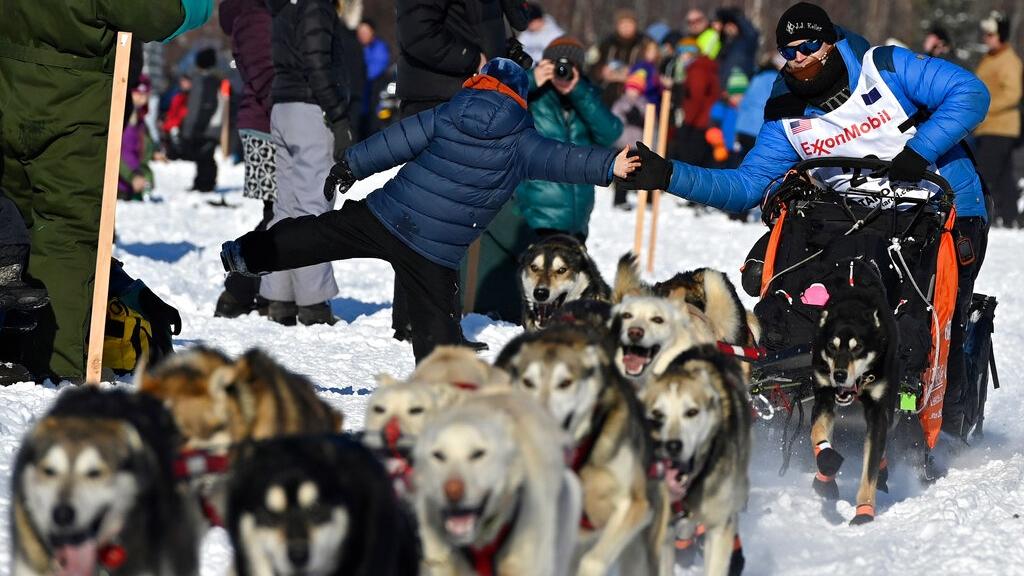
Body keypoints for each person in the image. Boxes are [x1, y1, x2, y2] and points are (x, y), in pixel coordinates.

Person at [622, 2, 991, 445]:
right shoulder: (787, 111)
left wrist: (919, 151)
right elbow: (746, 186)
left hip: (944, 208)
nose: (799, 57)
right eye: (789, 51)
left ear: (830, 42)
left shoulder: (884, 67)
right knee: (809, 286)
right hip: (853, 218)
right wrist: (668, 175)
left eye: (809, 45)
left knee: (938, 316)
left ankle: (949, 426)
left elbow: (971, 94)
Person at [221, 58, 637, 361]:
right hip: (434, 253)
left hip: (385, 216)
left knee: (315, 236)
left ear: (479, 82)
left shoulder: (449, 112)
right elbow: (566, 159)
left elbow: (396, 140)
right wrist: (611, 165)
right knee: (439, 334)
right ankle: (441, 392)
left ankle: (247, 254)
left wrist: (351, 165)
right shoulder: (523, 140)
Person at [0, 0, 210, 381]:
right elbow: (160, 13)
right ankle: (51, 362)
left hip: (9, 92)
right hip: (72, 106)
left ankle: (10, 345)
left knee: (16, 224)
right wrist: (199, 7)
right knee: (67, 233)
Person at [260, 0, 355, 326]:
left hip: (283, 106)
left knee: (285, 206)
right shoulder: (316, 4)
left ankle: (280, 297)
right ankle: (313, 304)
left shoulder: (283, 6)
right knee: (313, 205)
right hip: (311, 108)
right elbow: (316, 62)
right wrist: (339, 115)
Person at [216, 0, 277, 319]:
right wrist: (287, 110)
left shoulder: (260, 12)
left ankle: (263, 288)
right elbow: (265, 74)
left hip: (269, 121)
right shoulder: (254, 15)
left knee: (279, 210)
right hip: (268, 124)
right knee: (280, 211)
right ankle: (240, 287)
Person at [974, 11, 1022, 228]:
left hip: (1000, 127)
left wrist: (984, 107)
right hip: (988, 126)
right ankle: (1010, 217)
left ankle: (979, 215)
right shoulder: (990, 57)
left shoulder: (1008, 60)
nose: (986, 38)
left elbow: (1013, 93)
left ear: (1001, 35)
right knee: (1003, 175)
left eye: (991, 34)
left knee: (984, 172)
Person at [672, 37, 719, 169]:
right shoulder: (702, 67)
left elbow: (696, 99)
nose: (680, 57)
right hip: (704, 120)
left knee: (691, 161)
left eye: (682, 53)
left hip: (698, 123)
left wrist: (687, 122)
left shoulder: (697, 70)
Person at [182, 48, 223, 193]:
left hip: (206, 126)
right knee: (204, 157)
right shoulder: (214, 80)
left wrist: (194, 127)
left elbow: (201, 106)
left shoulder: (204, 81)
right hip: (210, 125)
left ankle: (205, 183)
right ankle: (202, 182)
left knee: (205, 157)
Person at [590, 9, 647, 106]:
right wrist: (601, 71)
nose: (626, 27)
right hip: (607, 96)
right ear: (617, 26)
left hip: (635, 97)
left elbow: (650, 69)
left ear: (635, 25)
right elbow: (591, 66)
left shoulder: (643, 45)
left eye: (629, 24)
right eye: (623, 24)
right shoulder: (606, 44)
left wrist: (633, 73)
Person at [119, 75, 156, 201]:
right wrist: (131, 177)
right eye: (138, 93)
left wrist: (154, 152)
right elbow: (115, 152)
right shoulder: (121, 119)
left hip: (136, 183)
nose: (141, 97)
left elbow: (144, 144)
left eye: (145, 94)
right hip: (120, 184)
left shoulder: (141, 120)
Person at [357, 19, 391, 139]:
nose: (362, 35)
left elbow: (376, 68)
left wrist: (358, 72)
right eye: (360, 32)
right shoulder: (355, 47)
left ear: (372, 32)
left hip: (374, 97)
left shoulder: (379, 47)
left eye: (365, 32)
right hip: (358, 101)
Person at [713, 7, 760, 92]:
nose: (730, 27)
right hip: (724, 92)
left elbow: (752, 34)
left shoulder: (746, 43)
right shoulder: (724, 45)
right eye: (727, 24)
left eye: (733, 24)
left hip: (741, 91)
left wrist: (736, 16)